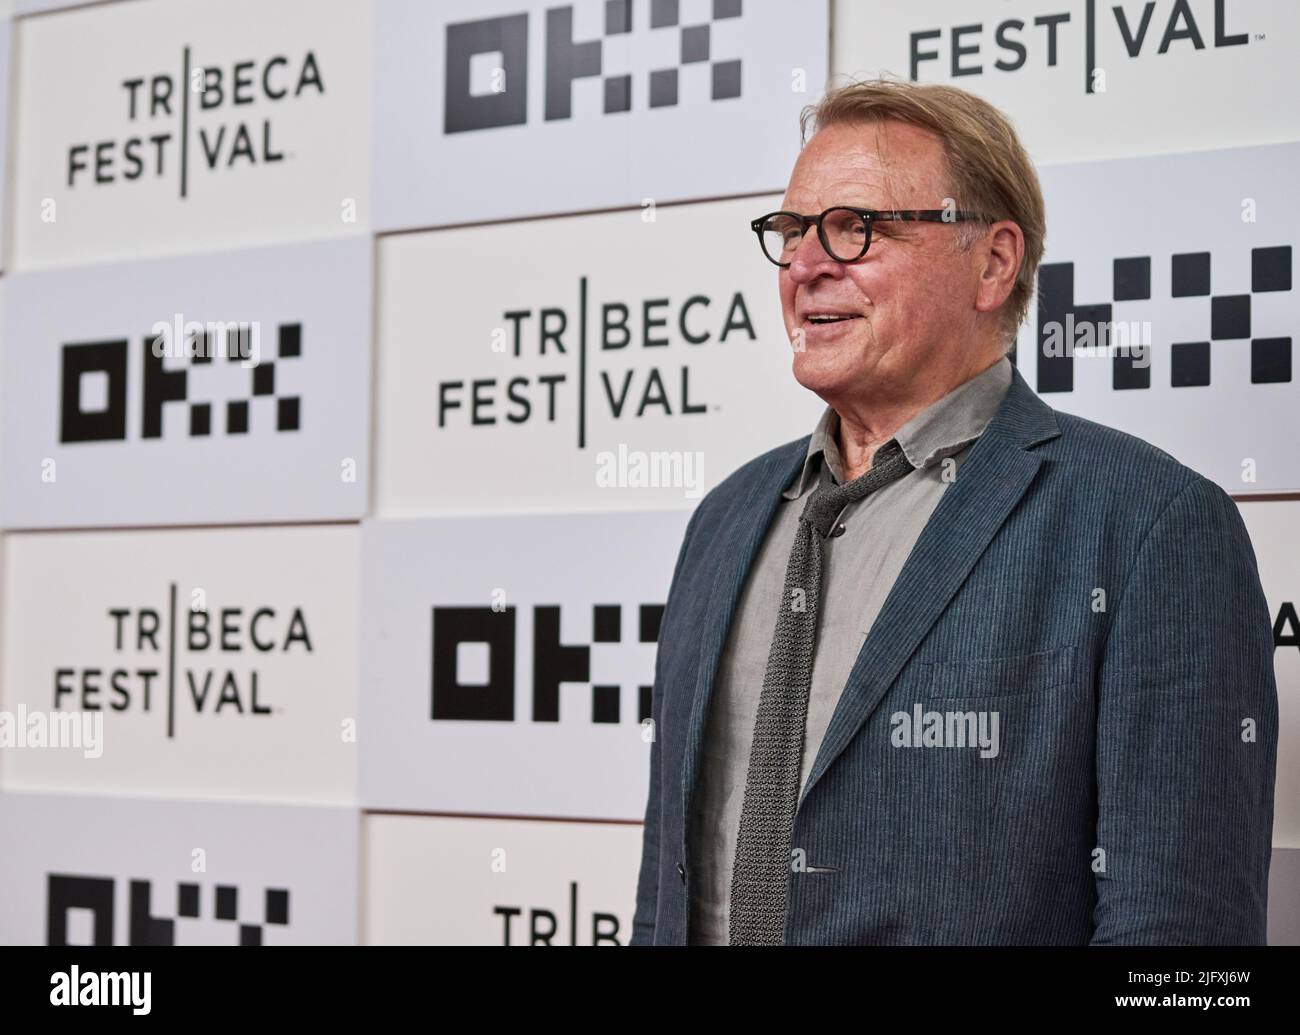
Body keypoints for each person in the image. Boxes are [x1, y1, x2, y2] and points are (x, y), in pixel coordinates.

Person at [630, 78, 1278, 946]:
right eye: (790, 231)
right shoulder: (723, 520)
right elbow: (664, 898)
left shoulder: (1150, 526)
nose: (807, 264)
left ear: (993, 262)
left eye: (856, 226)